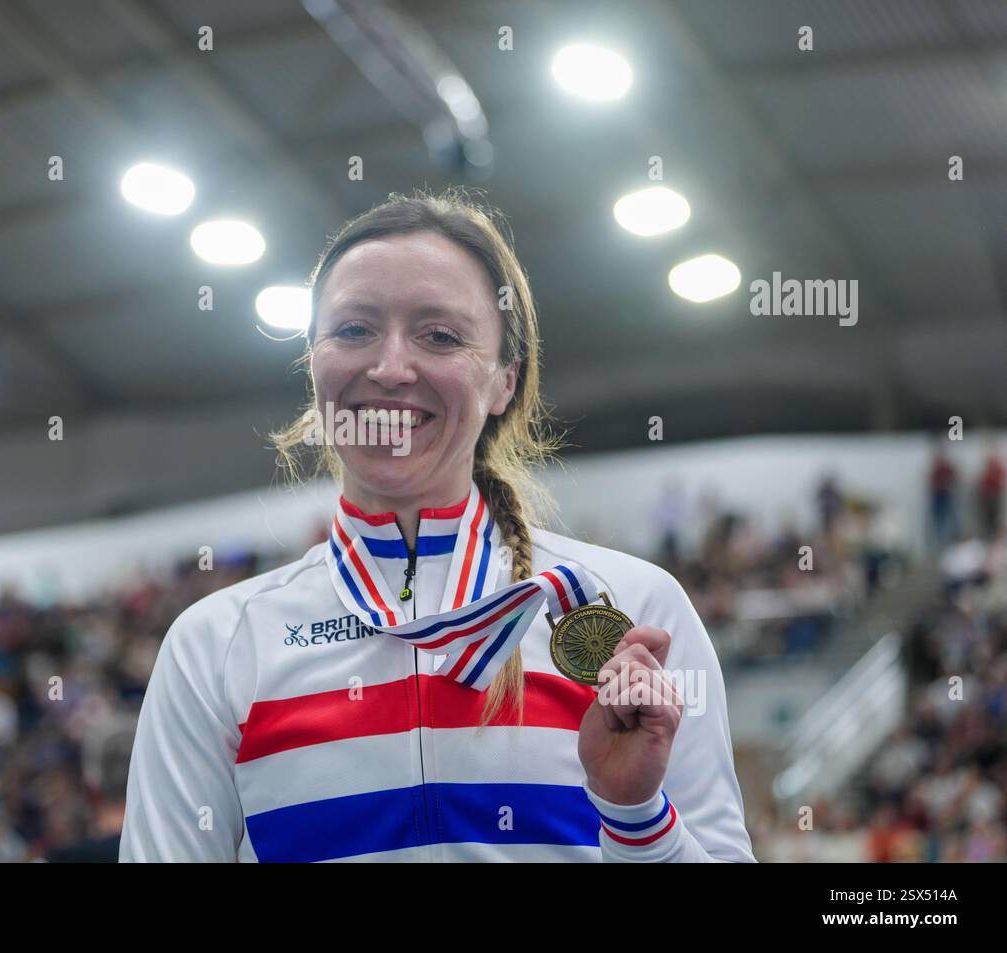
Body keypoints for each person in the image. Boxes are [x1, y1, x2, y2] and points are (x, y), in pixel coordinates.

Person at [119, 189, 754, 862]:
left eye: (440, 335)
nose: (390, 367)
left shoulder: (630, 609)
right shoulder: (216, 645)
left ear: (504, 381)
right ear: (314, 364)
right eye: (354, 329)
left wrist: (636, 819)